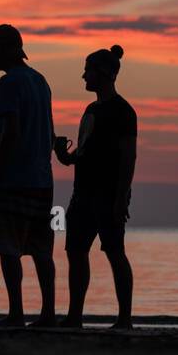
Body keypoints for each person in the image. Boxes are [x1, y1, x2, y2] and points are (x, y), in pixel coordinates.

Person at [0, 24, 57, 327]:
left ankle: (16, 314)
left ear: (7, 49)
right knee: (40, 249)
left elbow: (10, 133)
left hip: (16, 178)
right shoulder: (40, 81)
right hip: (42, 180)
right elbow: (49, 131)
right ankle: (48, 313)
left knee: (10, 247)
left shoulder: (9, 84)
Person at [54, 45, 137, 329]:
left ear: (103, 73)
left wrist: (121, 198)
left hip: (108, 194)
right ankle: (75, 316)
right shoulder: (90, 109)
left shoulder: (123, 112)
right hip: (82, 194)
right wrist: (65, 156)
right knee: (76, 251)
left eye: (87, 70)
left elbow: (128, 156)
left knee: (114, 251)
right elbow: (85, 151)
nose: (83, 76)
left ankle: (124, 319)